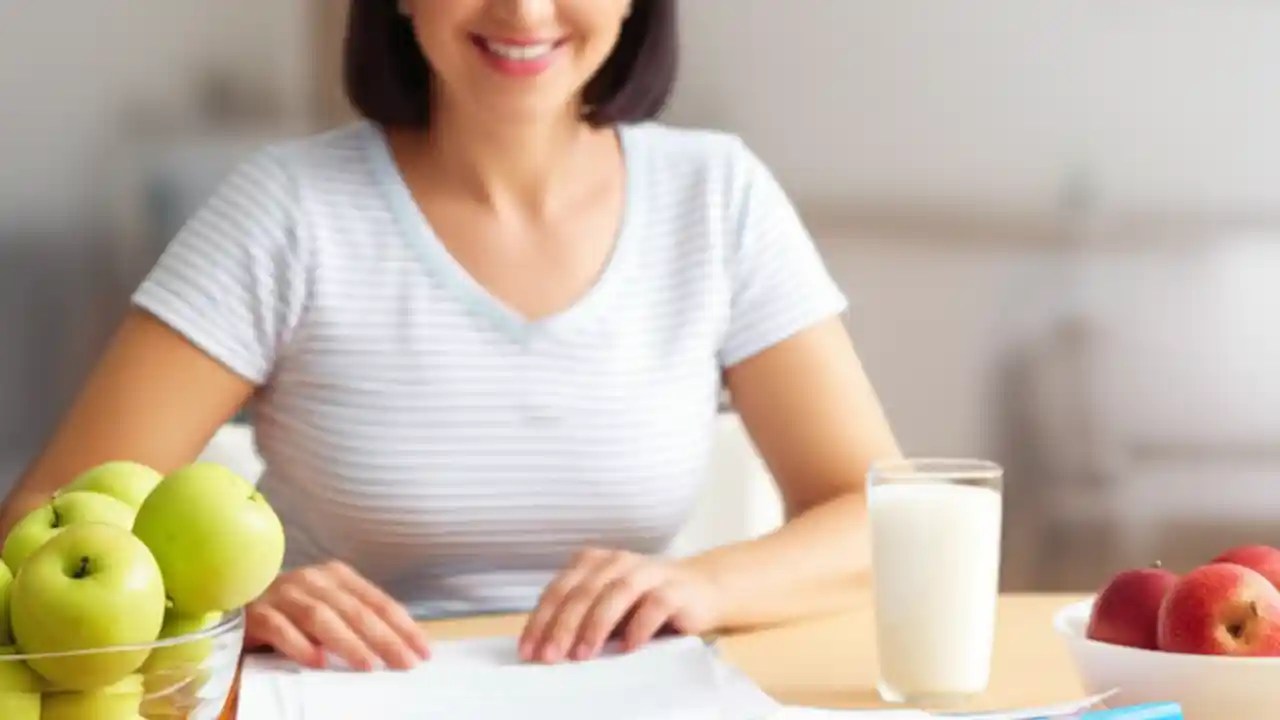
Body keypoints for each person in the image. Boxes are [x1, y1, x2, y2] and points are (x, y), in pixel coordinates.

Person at [0, 0, 900, 673]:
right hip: (339, 693)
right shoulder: (285, 213)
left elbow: (877, 519)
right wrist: (233, 603)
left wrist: (705, 585)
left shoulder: (718, 197)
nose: (524, 10)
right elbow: (42, 525)